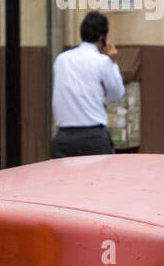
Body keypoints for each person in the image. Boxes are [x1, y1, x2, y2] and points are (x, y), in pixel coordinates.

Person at [49, 11, 125, 158]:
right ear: (102, 36)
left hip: (64, 139)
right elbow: (116, 94)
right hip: (94, 139)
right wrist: (114, 62)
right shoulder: (102, 61)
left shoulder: (61, 60)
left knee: (64, 181)